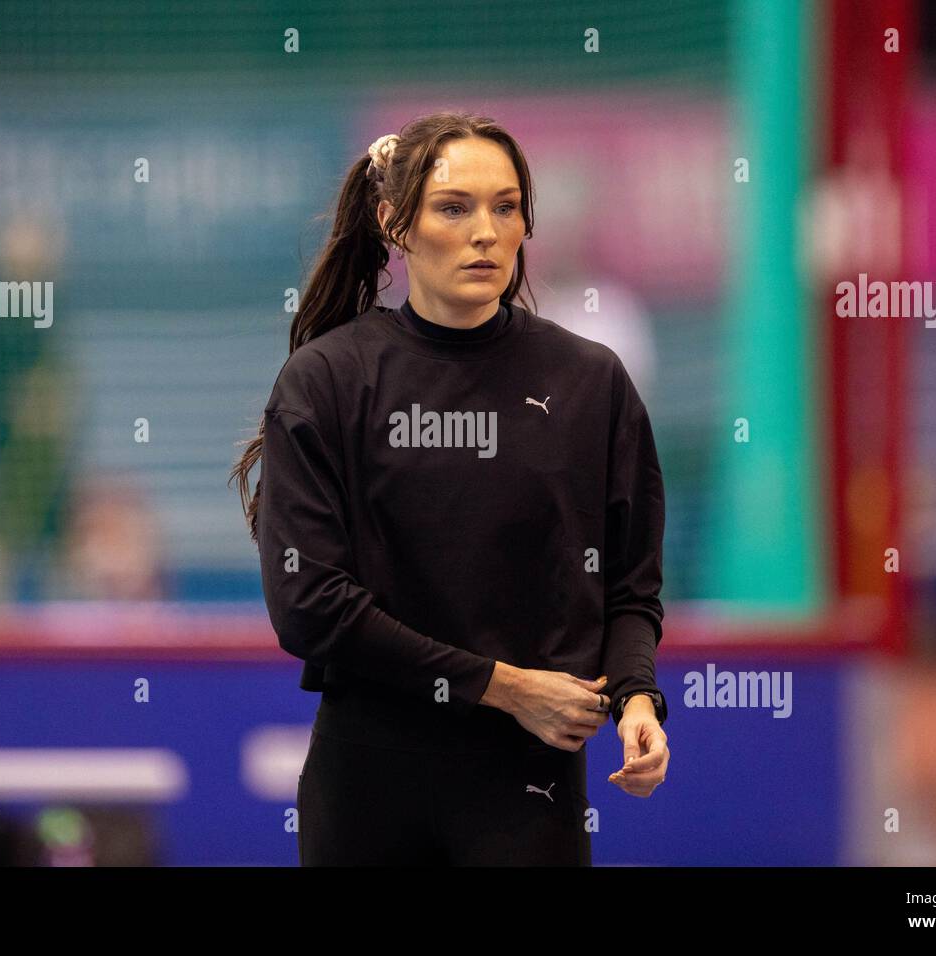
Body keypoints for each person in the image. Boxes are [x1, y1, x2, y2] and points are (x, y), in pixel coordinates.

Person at [229, 112, 670, 866]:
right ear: (395, 222)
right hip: (369, 793)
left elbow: (629, 586)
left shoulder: (591, 383)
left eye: (506, 207)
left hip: (531, 791)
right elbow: (308, 609)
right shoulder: (328, 381)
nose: (486, 232)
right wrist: (503, 687)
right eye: (454, 208)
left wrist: (635, 696)